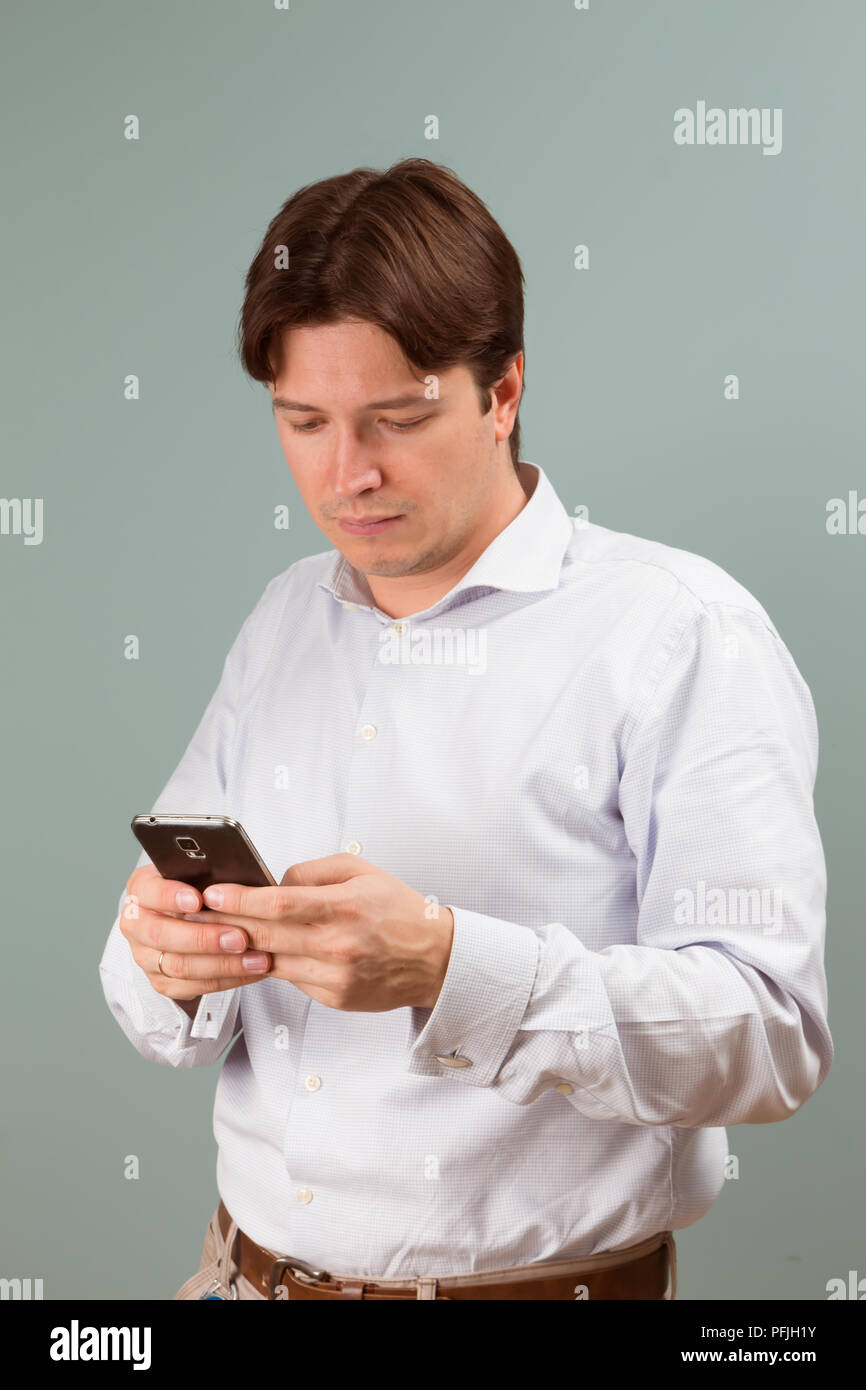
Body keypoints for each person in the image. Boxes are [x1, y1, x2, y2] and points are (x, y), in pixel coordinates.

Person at [99, 158, 833, 1301]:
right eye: (303, 421)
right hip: (235, 1277)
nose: (347, 474)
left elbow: (770, 1033)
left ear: (502, 392)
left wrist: (448, 965)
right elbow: (166, 1003)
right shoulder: (285, 616)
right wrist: (167, 959)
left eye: (397, 418)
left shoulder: (679, 633)